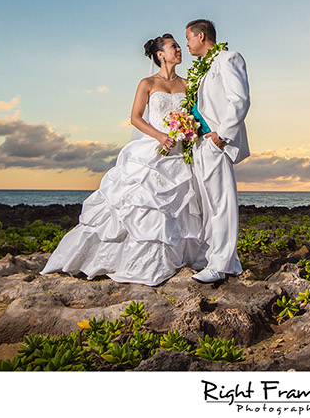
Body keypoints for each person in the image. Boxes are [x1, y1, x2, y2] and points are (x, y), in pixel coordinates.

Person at [40, 34, 207, 285]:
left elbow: (195, 115)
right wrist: (160, 136)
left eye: (179, 46)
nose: (179, 50)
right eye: (174, 47)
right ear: (161, 54)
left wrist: (188, 131)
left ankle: (173, 259)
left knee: (177, 206)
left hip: (178, 153)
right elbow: (136, 118)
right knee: (143, 204)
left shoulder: (187, 84)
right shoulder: (147, 83)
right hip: (153, 148)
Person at [184, 19, 251, 283]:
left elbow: (240, 99)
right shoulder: (202, 69)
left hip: (215, 142)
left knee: (221, 203)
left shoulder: (227, 58)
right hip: (199, 144)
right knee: (208, 204)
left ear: (201, 36)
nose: (186, 43)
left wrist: (222, 136)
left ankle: (221, 265)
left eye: (188, 38)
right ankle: (225, 261)